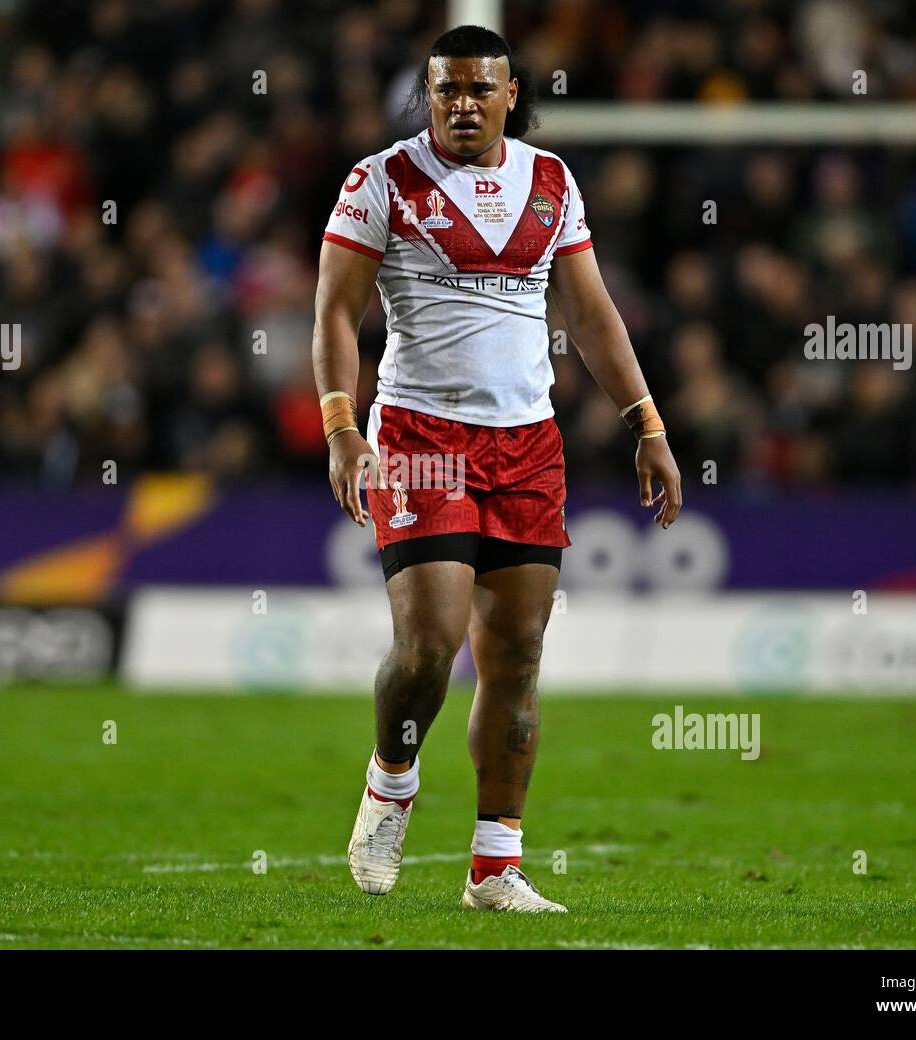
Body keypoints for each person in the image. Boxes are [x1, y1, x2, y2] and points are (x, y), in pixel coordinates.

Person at [312, 24, 682, 912]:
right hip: (419, 439)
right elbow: (334, 314)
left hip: (528, 444)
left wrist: (649, 424)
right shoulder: (381, 182)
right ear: (428, 96)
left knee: (516, 657)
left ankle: (495, 867)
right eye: (448, 91)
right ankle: (391, 783)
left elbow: (593, 316)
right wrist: (340, 428)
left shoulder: (550, 182)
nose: (464, 104)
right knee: (431, 643)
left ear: (511, 94)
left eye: (481, 89)